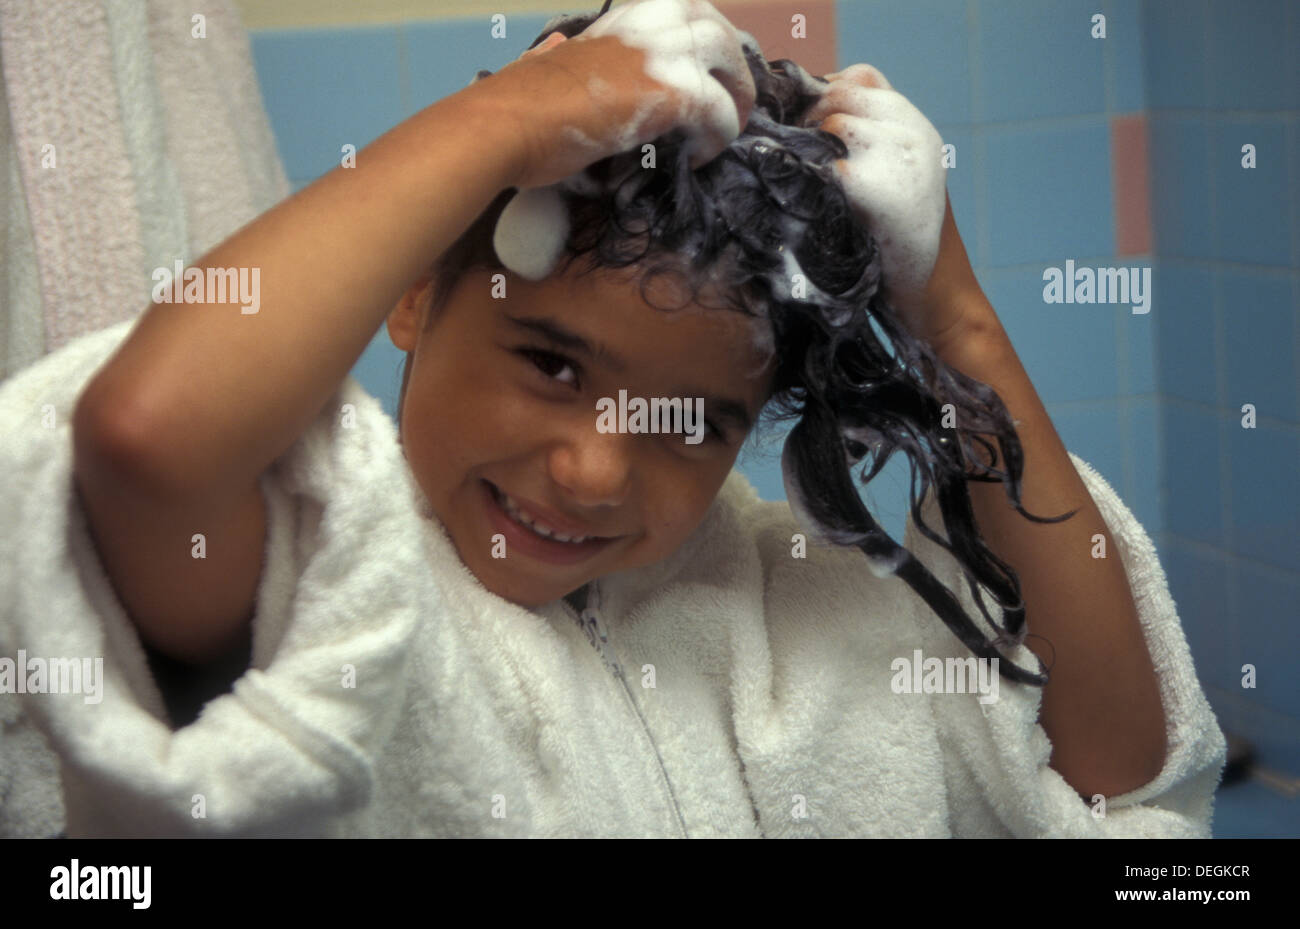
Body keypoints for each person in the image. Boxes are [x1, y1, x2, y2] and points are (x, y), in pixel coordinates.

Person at [0, 0, 1224, 837]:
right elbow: (146, 438)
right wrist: (506, 120)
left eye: (691, 420)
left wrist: (951, 316)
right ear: (414, 292)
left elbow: (1119, 781)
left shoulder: (798, 609)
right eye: (548, 362)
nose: (591, 470)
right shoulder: (326, 572)